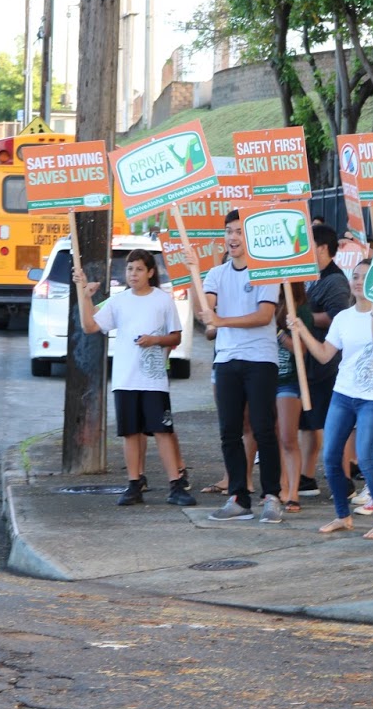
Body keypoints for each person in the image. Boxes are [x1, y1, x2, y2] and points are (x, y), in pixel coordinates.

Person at [73, 249, 195, 507]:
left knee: (162, 430)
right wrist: (84, 295)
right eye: (129, 269)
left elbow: (176, 336)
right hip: (125, 378)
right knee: (130, 432)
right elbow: (90, 326)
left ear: (151, 272)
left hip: (153, 380)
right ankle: (133, 483)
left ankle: (175, 484)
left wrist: (155, 340)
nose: (133, 274)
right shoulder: (119, 301)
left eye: (139, 269)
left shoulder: (163, 300)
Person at [289, 259, 373, 540]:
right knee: (330, 456)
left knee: (365, 457)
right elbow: (325, 354)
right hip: (343, 394)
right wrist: (301, 330)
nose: (359, 281)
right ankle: (343, 515)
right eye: (355, 276)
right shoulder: (342, 318)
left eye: (365, 276)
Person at [191, 210, 284, 524]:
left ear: (251, 237)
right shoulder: (217, 274)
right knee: (229, 432)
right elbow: (205, 311)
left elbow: (263, 316)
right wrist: (192, 275)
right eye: (229, 231)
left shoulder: (265, 273)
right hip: (227, 360)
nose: (232, 238)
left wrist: (222, 321)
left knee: (263, 428)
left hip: (260, 360)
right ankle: (237, 497)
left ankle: (272, 496)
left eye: (239, 232)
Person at [298, 224, 353, 499]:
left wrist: (303, 320)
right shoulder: (309, 276)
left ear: (321, 248)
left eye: (308, 243)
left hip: (327, 364)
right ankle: (307, 477)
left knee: (332, 426)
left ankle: (343, 481)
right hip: (308, 362)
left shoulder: (335, 280)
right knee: (308, 424)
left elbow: (337, 317)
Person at [274, 281, 314, 512]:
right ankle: (281, 486)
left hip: (289, 381)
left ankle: (293, 492)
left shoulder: (301, 310)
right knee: (274, 436)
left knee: (288, 437)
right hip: (266, 379)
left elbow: (300, 348)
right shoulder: (267, 304)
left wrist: (278, 331)